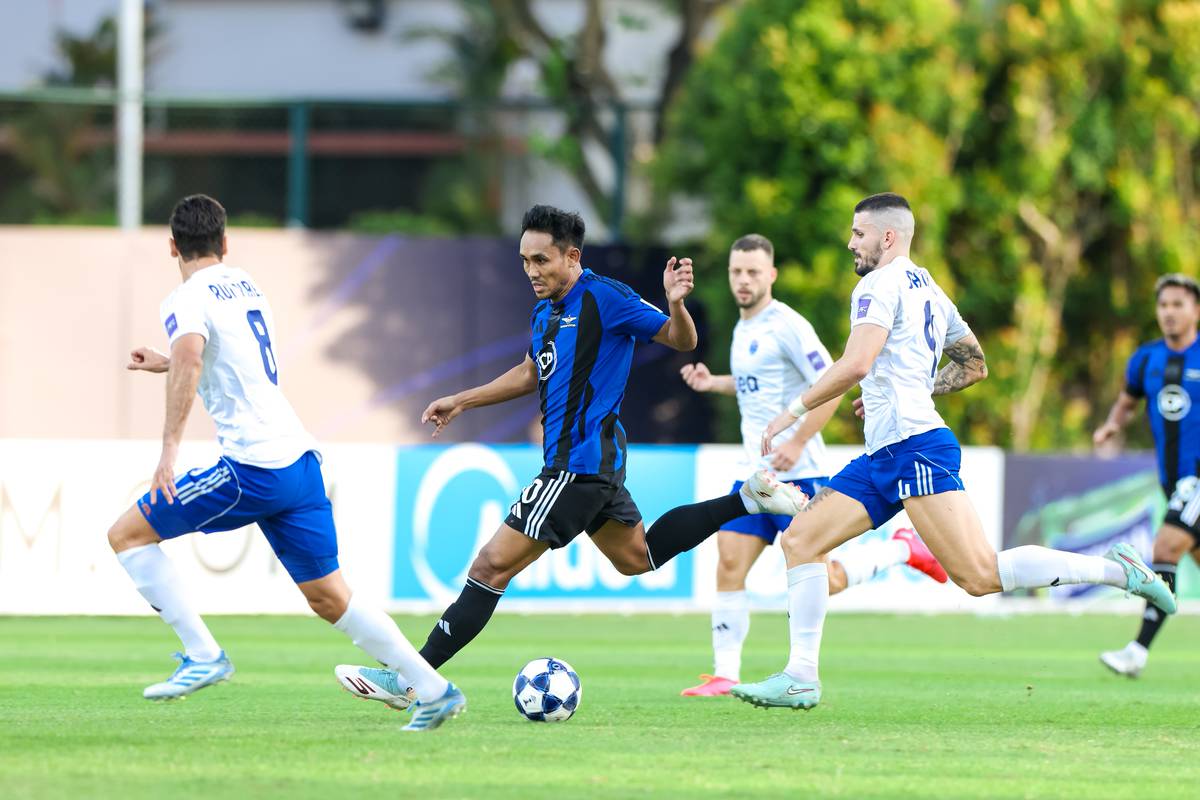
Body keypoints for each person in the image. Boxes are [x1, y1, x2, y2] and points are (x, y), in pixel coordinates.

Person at [730, 192, 1177, 710]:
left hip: (915, 449)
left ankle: (1122, 572)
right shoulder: (931, 289)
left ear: (887, 237)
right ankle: (800, 676)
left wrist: (792, 411)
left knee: (979, 576)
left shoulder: (877, 284)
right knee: (801, 541)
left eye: (858, 233)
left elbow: (855, 364)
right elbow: (974, 364)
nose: (851, 242)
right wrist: (916, 389)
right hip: (886, 452)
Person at [337, 204, 807, 691]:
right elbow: (528, 371)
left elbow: (679, 340)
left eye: (541, 261)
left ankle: (410, 679)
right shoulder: (545, 311)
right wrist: (462, 400)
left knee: (489, 566)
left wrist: (676, 304)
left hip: (575, 466)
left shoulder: (607, 298)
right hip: (593, 466)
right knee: (637, 557)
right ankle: (746, 498)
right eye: (524, 260)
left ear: (572, 256)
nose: (531, 271)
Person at [108, 194, 461, 731]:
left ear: (172, 246)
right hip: (299, 461)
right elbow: (220, 358)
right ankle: (435, 691)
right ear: (225, 244)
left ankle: (204, 655)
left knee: (127, 535)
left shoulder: (182, 297)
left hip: (252, 467)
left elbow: (192, 354)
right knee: (331, 596)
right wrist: (166, 363)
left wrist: (169, 450)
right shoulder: (245, 283)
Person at [677, 233, 947, 697]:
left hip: (800, 473)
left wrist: (798, 440)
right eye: (736, 272)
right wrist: (715, 383)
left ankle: (902, 549)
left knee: (822, 577)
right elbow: (756, 387)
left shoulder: (787, 325)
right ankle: (724, 674)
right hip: (754, 471)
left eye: (753, 273)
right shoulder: (744, 329)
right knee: (728, 562)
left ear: (772, 276)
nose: (744, 281)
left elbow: (833, 383)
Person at [1095, 274, 1200, 677]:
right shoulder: (1146, 359)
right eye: (1164, 305)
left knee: (1165, 549)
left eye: (1178, 304)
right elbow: (1127, 401)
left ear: (1195, 311)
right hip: (1173, 482)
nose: (1169, 313)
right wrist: (1111, 426)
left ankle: (1137, 651)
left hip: (1196, 480)